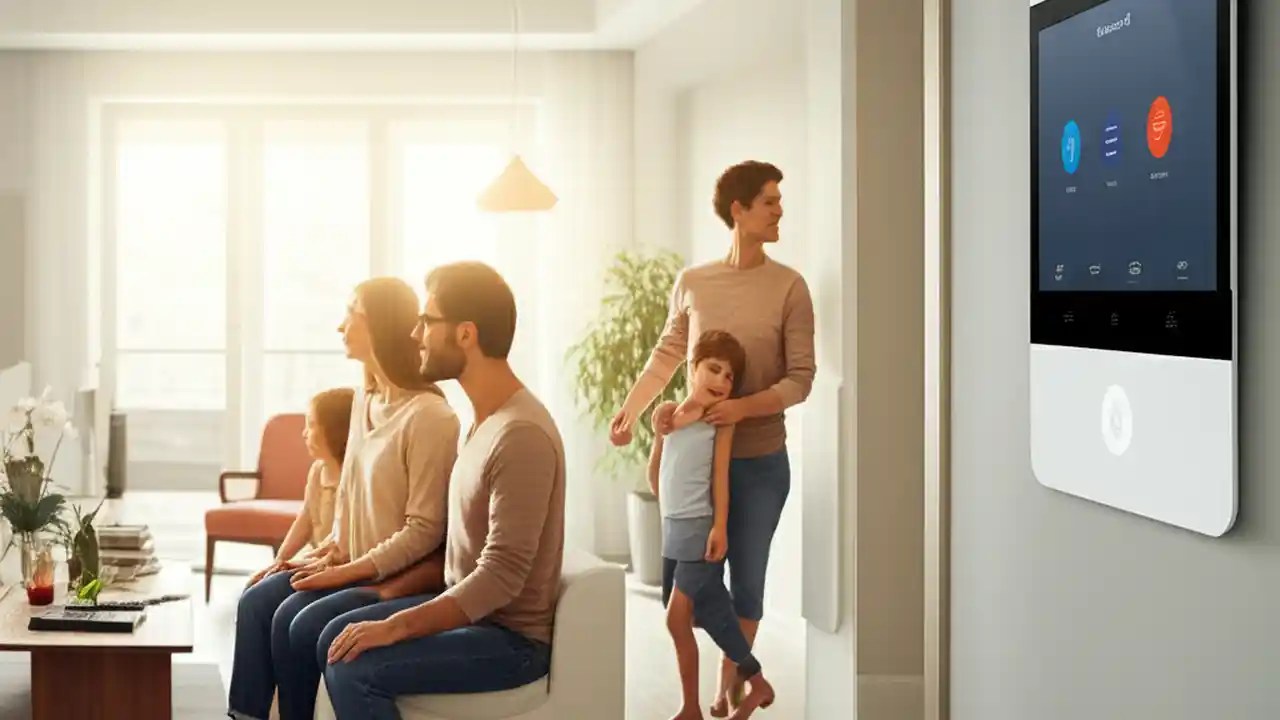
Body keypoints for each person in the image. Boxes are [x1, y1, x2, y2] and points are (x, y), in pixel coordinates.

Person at [610, 160, 816, 716]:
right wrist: (632, 412)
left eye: (779, 201)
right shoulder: (694, 282)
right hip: (698, 465)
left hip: (758, 464)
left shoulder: (790, 287)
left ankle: (728, 687)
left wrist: (738, 409)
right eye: (769, 201)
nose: (779, 211)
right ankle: (739, 682)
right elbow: (667, 355)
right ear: (739, 210)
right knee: (695, 592)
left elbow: (801, 379)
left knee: (746, 584)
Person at [318, 261, 565, 720]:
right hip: (472, 616)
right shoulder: (481, 423)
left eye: (427, 322)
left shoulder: (521, 434)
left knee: (354, 668)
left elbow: (502, 575)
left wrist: (395, 627)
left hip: (509, 641)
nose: (415, 335)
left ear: (465, 334)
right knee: (330, 634)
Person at [227, 277, 461, 720]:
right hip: (348, 561)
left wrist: (346, 571)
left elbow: (426, 529)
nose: (340, 326)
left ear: (381, 325)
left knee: (294, 620)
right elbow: (351, 498)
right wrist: (326, 553)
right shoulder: (364, 400)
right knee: (256, 598)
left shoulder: (431, 417)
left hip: (395, 575)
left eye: (352, 313)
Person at [651, 329, 774, 720]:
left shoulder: (720, 422)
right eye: (714, 369)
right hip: (673, 525)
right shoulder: (671, 415)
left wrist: (719, 526)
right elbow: (657, 480)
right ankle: (757, 685)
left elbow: (720, 477)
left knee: (676, 620)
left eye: (729, 376)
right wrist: (657, 436)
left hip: (699, 528)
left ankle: (690, 707)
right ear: (693, 367)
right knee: (716, 614)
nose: (722, 381)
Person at [246, 386, 355, 589]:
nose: (304, 434)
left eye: (312, 425)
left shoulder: (354, 479)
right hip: (315, 562)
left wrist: (301, 564)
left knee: (267, 592)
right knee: (256, 585)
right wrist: (279, 561)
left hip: (337, 567)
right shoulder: (317, 471)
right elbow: (305, 520)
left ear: (335, 430)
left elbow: (344, 546)